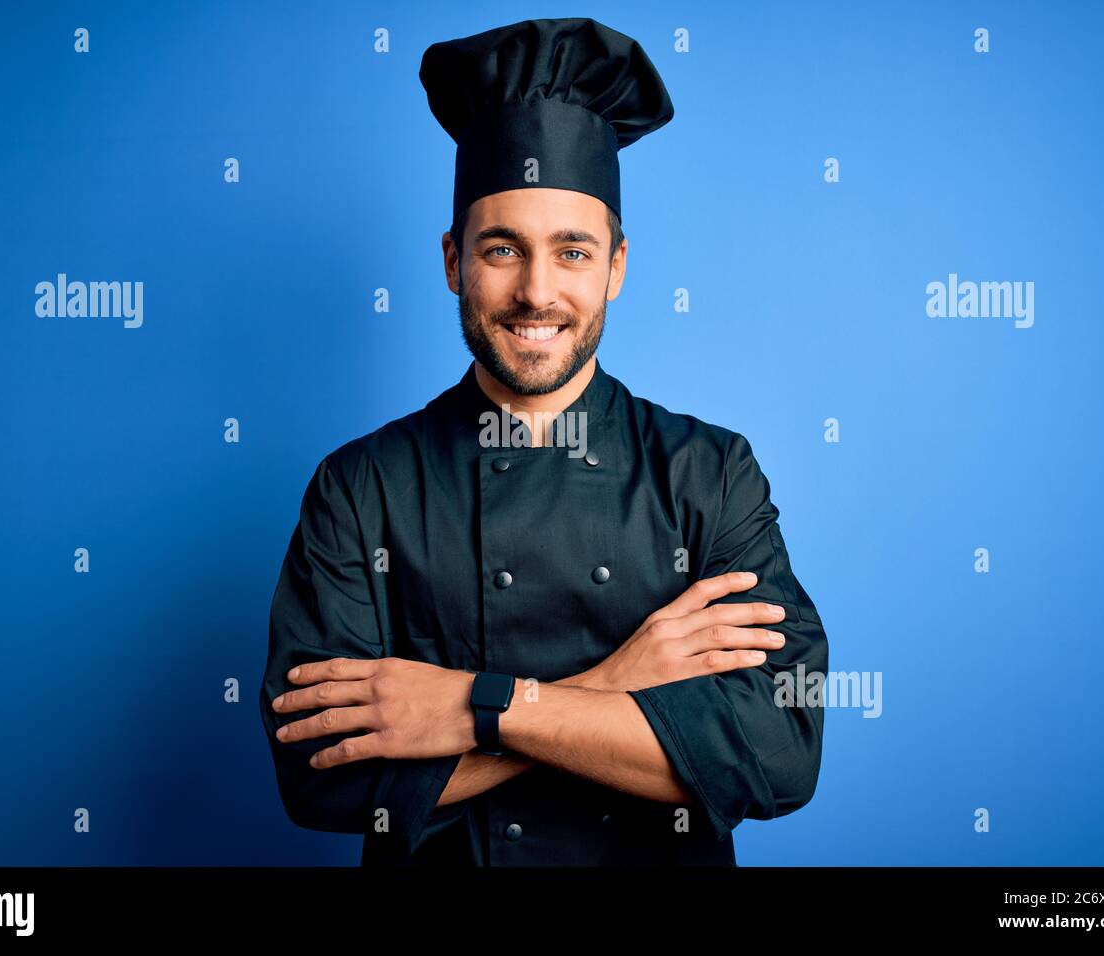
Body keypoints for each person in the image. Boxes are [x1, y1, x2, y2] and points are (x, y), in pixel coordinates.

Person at [259, 17, 828, 866]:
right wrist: (616, 685)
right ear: (453, 261)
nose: (536, 292)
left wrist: (473, 707)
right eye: (501, 249)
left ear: (617, 267)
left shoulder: (710, 474)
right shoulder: (359, 488)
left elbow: (779, 754)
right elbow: (321, 778)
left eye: (571, 251)